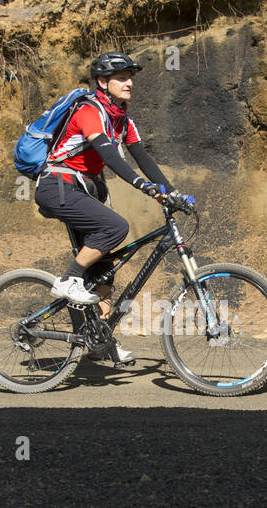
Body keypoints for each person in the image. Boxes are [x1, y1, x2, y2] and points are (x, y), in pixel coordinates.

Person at [34, 51, 187, 365]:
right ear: (103, 81)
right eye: (121, 77)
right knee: (115, 227)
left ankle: (99, 339)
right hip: (58, 185)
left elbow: (141, 157)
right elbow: (111, 157)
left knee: (104, 272)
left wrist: (171, 192)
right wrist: (142, 187)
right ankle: (68, 280)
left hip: (87, 188)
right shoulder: (89, 110)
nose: (129, 82)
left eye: (130, 76)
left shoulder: (122, 117)